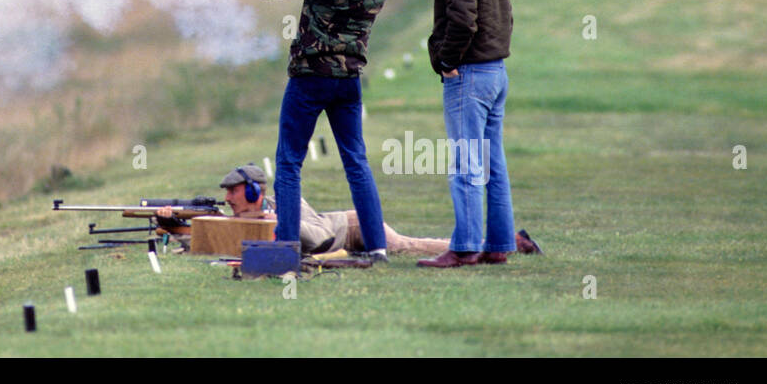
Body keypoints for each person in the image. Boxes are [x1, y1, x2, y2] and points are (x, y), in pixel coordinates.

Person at [238, 0, 393, 262]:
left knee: (289, 162)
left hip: (311, 75)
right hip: (350, 77)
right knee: (357, 161)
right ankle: (377, 246)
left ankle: (288, 246)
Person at [420, 0, 521, 268]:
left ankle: (464, 248)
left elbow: (463, 23)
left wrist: (447, 61)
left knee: (466, 165)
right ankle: (497, 245)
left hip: (470, 76)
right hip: (496, 74)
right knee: (494, 165)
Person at [182, 164, 540, 258]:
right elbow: (219, 239)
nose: (228, 199)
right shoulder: (249, 217)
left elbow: (319, 238)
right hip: (348, 231)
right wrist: (176, 230)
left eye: (233, 192)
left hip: (354, 226)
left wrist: (272, 222)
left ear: (254, 191)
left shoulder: (284, 207)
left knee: (411, 247)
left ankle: (507, 243)